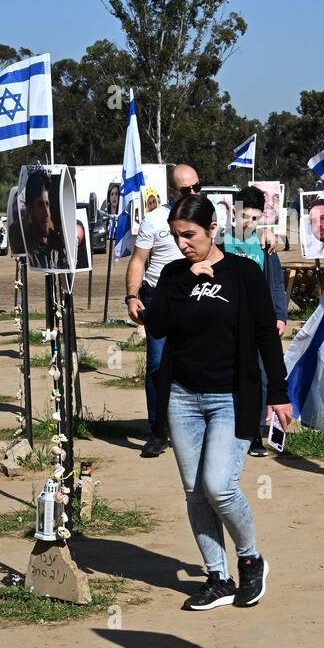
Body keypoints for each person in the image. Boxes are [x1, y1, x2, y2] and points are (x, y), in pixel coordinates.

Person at [141, 194, 291, 611]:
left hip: (232, 397)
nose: (182, 243)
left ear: (212, 230)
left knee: (219, 487)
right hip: (183, 398)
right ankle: (217, 577)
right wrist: (189, 280)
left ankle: (250, 559)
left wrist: (278, 393)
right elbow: (157, 324)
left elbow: (265, 336)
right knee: (194, 493)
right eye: (175, 236)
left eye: (189, 235)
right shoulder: (174, 275)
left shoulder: (244, 273)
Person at [126, 164, 202, 458]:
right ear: (172, 191)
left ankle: (195, 429)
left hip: (197, 295)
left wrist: (267, 239)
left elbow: (231, 243)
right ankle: (158, 432)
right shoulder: (155, 220)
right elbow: (138, 260)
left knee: (199, 361)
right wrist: (132, 296)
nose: (194, 193)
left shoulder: (206, 214)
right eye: (187, 190)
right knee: (158, 364)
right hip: (159, 296)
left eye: (197, 186)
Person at [222, 186, 288, 457]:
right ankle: (228, 430)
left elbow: (276, 283)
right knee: (230, 376)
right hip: (227, 320)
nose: (248, 222)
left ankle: (255, 434)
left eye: (254, 218)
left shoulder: (265, 245)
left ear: (262, 218)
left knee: (260, 376)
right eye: (244, 216)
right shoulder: (220, 242)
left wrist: (280, 315)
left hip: (258, 321)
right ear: (234, 213)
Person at [22, 168, 69, 271]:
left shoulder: (58, 244)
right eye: (40, 205)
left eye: (47, 204)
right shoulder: (27, 246)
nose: (46, 213)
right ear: (29, 208)